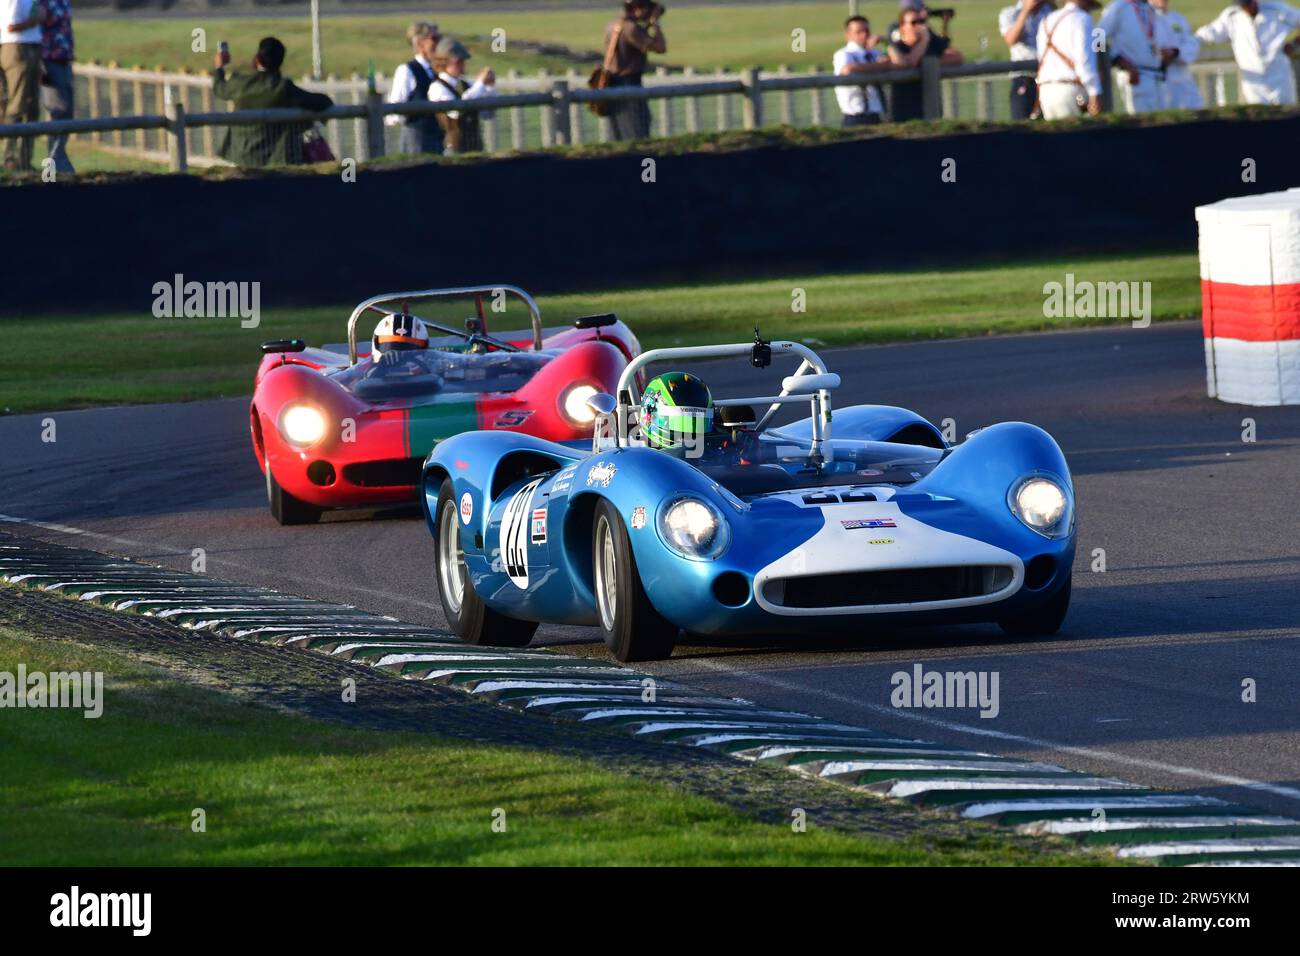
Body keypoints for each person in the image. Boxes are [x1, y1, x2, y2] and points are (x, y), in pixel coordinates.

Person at [212, 37, 333, 168]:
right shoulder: (284, 88)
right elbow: (323, 102)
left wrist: (219, 67)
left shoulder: (240, 84)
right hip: (279, 161)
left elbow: (220, 89)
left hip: (242, 158)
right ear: (280, 61)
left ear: (257, 59)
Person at [1196, 0, 1300, 105]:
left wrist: (1294, 44)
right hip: (1253, 79)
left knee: (1286, 112)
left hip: (1279, 74)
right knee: (1259, 114)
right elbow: (1208, 33)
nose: (1247, 8)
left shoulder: (1275, 9)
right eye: (1243, 5)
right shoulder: (1231, 16)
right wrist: (1188, 44)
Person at [602, 0, 667, 141]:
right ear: (638, 8)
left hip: (612, 84)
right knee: (637, 135)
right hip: (629, 84)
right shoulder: (631, 28)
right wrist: (655, 24)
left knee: (618, 136)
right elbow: (661, 47)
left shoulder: (613, 25)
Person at [1098, 0, 1179, 113]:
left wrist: (1167, 54)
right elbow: (1098, 36)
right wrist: (1115, 62)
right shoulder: (1119, 7)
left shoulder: (1149, 9)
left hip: (1157, 76)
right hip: (1135, 76)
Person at [888, 2, 964, 121]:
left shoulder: (931, 43)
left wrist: (931, 62)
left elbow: (957, 57)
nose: (918, 26)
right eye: (913, 23)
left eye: (921, 22)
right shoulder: (897, 46)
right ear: (902, 27)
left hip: (930, 107)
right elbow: (909, 62)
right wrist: (924, 41)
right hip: (904, 109)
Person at [427, 36, 494, 155]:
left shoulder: (466, 84)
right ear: (443, 62)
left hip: (476, 148)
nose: (462, 66)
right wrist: (480, 84)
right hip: (454, 149)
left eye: (463, 62)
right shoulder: (437, 87)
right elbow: (456, 111)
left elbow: (488, 113)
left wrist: (489, 86)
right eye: (458, 62)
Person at [1036, 0, 1104, 117]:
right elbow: (1084, 60)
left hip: (1045, 91)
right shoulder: (1083, 19)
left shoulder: (1047, 20)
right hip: (1071, 90)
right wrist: (1094, 91)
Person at [386, 21, 443, 156]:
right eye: (434, 39)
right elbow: (394, 109)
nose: (439, 44)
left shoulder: (438, 71)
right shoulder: (407, 71)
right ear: (420, 44)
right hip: (417, 141)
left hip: (438, 140)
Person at [0, 0, 43, 171]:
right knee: (18, 105)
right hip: (18, 46)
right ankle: (11, 159)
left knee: (30, 106)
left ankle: (24, 160)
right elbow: (12, 26)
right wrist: (37, 18)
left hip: (25, 44)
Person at [1000, 0, 1055, 119]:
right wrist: (1026, 11)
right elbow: (1011, 40)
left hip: (1049, 78)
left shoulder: (1051, 13)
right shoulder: (1010, 13)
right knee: (1022, 125)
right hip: (1024, 78)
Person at [832, 15, 890, 126]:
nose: (864, 35)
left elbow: (893, 64)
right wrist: (879, 66)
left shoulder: (874, 53)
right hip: (855, 116)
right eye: (858, 32)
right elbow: (848, 69)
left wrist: (886, 42)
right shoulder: (844, 54)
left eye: (867, 31)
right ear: (848, 35)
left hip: (876, 115)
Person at [38, 0, 72, 174]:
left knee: (68, 112)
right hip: (49, 59)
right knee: (59, 110)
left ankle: (58, 157)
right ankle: (54, 164)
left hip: (64, 58)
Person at [639, 372, 713, 450]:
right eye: (680, 423)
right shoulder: (633, 453)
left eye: (700, 424)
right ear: (650, 415)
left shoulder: (715, 451)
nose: (691, 434)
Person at [1152, 0, 1204, 107]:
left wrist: (1176, 52)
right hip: (1159, 83)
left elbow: (1191, 44)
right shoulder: (1144, 20)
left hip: (1184, 82)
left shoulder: (1178, 18)